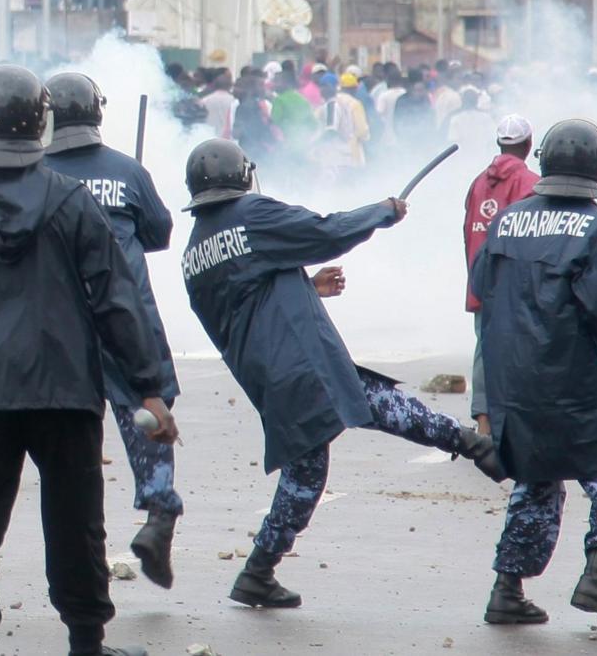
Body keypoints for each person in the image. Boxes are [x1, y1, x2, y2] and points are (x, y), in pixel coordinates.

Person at [180, 138, 504, 610]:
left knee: (308, 471)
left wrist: (305, 287)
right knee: (375, 403)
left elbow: (243, 301)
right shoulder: (253, 214)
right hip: (299, 363)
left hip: (269, 375)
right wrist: (382, 212)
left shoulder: (194, 254)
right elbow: (325, 231)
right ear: (240, 176)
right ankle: (475, 445)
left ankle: (257, 572)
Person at [0, 65, 171, 656]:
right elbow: (115, 299)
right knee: (75, 522)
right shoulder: (72, 201)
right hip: (64, 387)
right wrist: (148, 386)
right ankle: (86, 642)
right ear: (40, 121)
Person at [471, 119, 597, 627]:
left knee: (537, 472)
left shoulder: (507, 221)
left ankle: (508, 589)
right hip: (570, 376)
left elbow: (481, 284)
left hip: (512, 377)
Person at [43, 72, 185, 589]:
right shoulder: (128, 170)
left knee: (72, 445)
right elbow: (159, 233)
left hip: (59, 327)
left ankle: (82, 552)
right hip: (127, 317)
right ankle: (159, 512)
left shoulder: (35, 172)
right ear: (97, 113)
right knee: (149, 415)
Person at [462, 114, 540, 437]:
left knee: (485, 349)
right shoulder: (532, 184)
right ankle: (518, 423)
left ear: (499, 144)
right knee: (525, 350)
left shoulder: (478, 182)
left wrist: (475, 275)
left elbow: (468, 230)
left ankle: (484, 425)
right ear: (528, 145)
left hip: (482, 281)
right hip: (516, 286)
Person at [201, 71, 235, 139]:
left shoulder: (204, 100)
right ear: (230, 86)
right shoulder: (234, 101)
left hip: (209, 136)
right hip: (228, 139)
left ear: (214, 85)